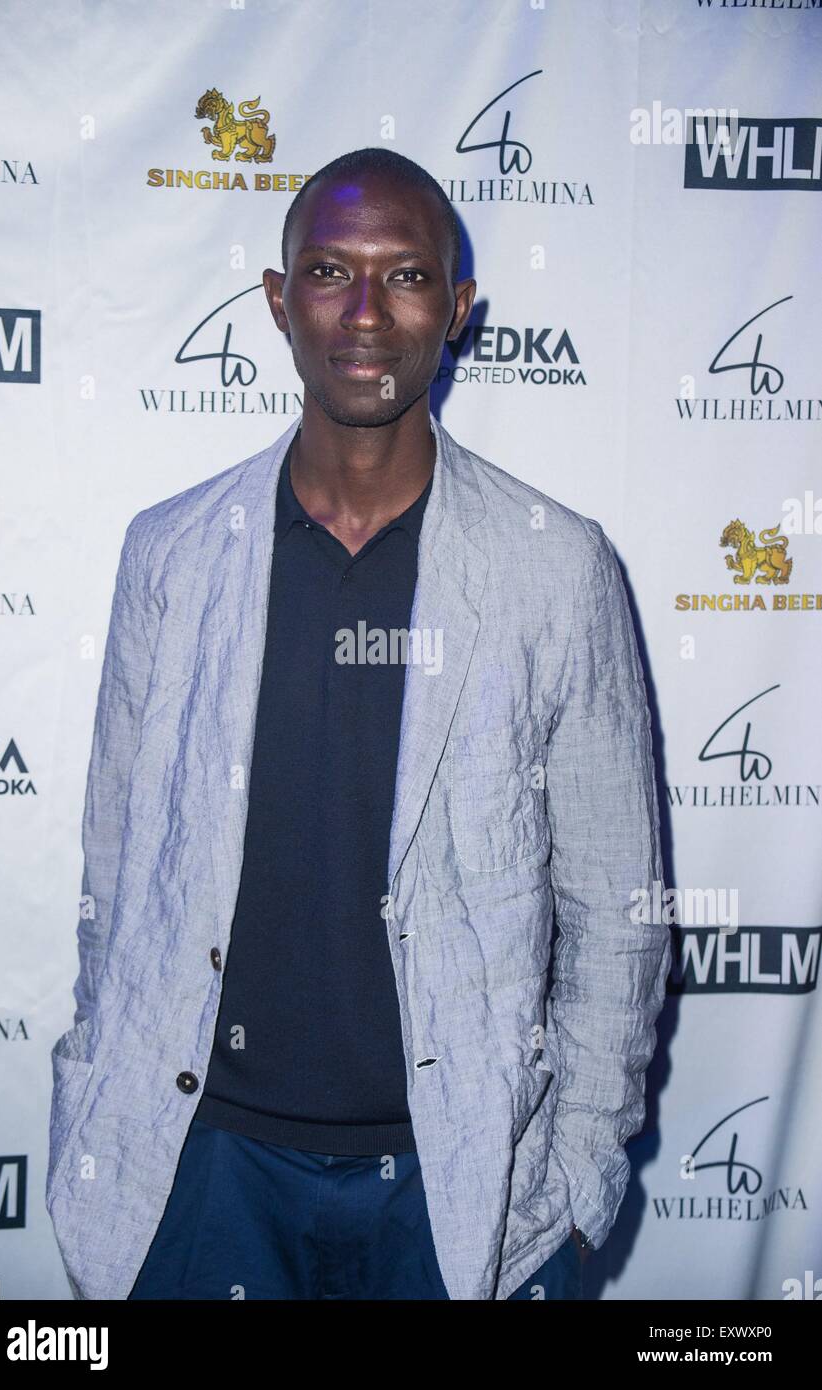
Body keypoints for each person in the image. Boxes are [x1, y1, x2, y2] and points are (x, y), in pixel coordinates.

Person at [45, 146, 671, 1301]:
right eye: (331, 271)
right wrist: (92, 1072)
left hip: (464, 1182)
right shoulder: (171, 554)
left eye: (408, 275)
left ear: (459, 308)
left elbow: (615, 908)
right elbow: (118, 866)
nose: (368, 312)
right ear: (278, 301)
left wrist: (579, 1175)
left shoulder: (555, 568)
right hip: (200, 1166)